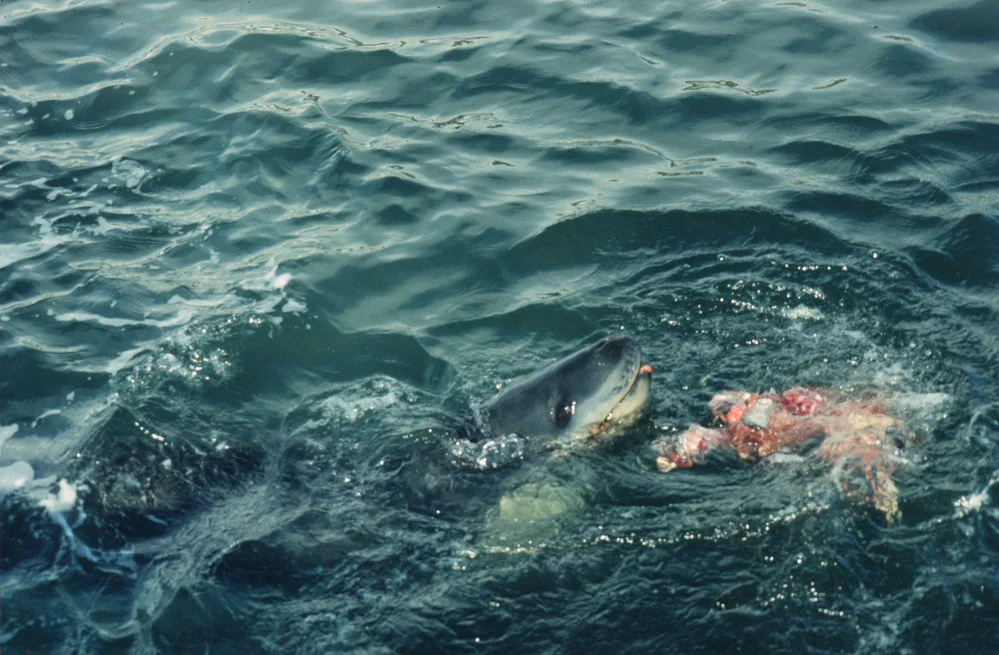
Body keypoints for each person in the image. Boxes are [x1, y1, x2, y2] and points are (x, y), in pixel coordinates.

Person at [655, 388, 908, 520]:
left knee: (861, 438)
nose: (729, 415)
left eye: (733, 408)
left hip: (854, 427)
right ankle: (880, 489)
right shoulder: (737, 435)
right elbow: (696, 441)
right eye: (725, 414)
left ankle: (881, 488)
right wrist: (678, 452)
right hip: (829, 436)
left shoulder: (788, 404)